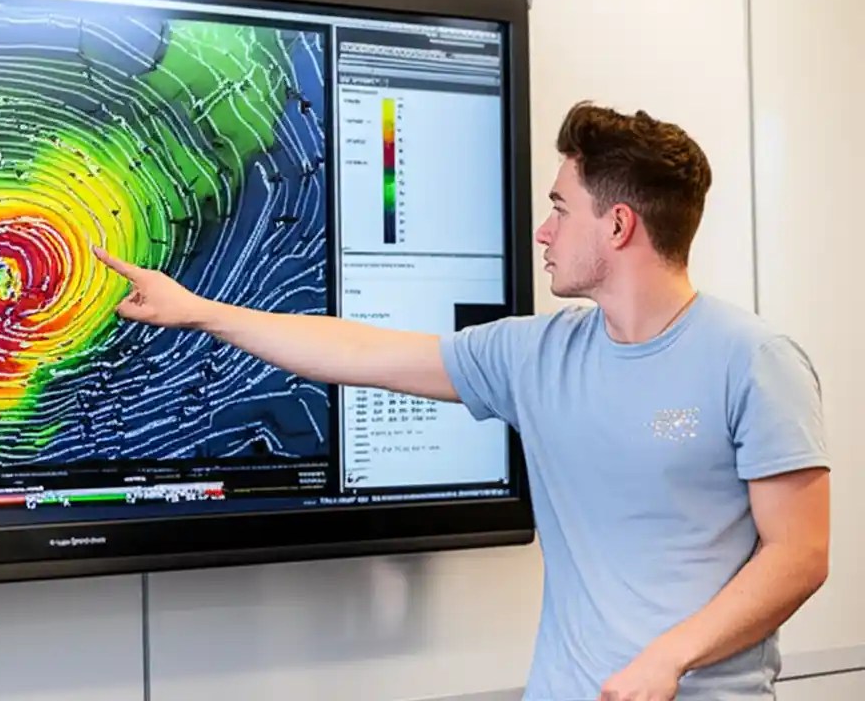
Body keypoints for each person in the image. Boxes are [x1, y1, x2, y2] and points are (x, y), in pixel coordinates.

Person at [92, 101, 831, 701]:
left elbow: (799, 556)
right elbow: (360, 352)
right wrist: (201, 311)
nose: (543, 231)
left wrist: (669, 658)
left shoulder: (752, 359)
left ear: (617, 224)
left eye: (560, 208)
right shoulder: (534, 355)